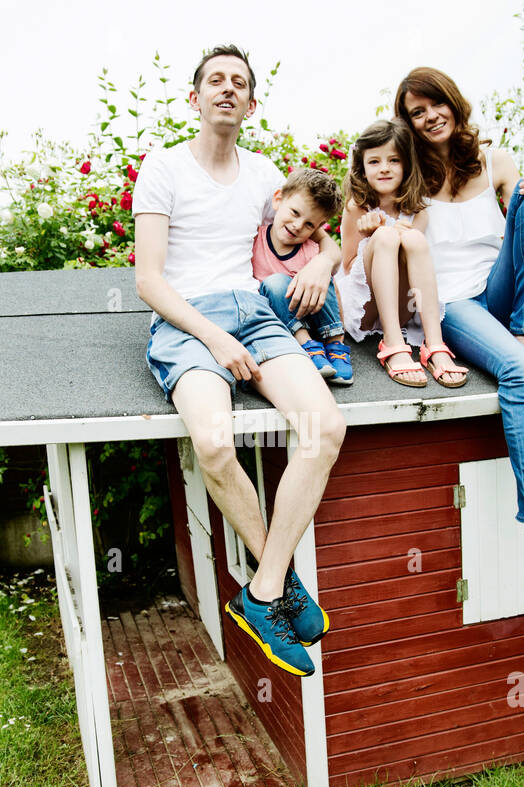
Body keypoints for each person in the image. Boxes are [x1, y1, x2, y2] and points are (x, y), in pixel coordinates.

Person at [133, 44, 348, 676]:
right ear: (193, 98)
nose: (226, 89)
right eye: (215, 80)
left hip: (254, 313)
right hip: (184, 318)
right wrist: (215, 340)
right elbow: (148, 280)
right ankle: (276, 582)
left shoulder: (263, 174)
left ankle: (260, 590)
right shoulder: (163, 169)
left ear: (251, 104)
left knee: (325, 426)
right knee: (214, 443)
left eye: (239, 83)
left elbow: (313, 226)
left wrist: (328, 260)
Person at [395, 66, 524, 603]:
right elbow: (363, 220)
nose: (430, 116)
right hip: (453, 305)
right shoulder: (406, 174)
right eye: (417, 111)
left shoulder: (494, 160)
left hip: (501, 292)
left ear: (454, 104)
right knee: (518, 371)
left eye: (436, 104)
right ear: (408, 122)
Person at [335, 119, 467, 388]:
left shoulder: (418, 211)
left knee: (414, 239)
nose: (384, 168)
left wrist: (401, 234)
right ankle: (393, 343)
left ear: (406, 165)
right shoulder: (356, 207)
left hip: (401, 305)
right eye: (374, 162)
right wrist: (369, 236)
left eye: (393, 160)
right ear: (361, 168)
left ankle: (435, 344)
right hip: (366, 308)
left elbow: (413, 263)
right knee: (384, 235)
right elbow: (346, 267)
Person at [252, 168, 353, 386]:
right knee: (275, 283)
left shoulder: (311, 250)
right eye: (295, 213)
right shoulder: (255, 239)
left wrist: (340, 331)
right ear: (278, 199)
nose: (298, 226)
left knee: (322, 278)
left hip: (314, 313)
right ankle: (307, 346)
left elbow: (332, 290)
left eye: (309, 224)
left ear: (318, 227)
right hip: (284, 322)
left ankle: (335, 346)